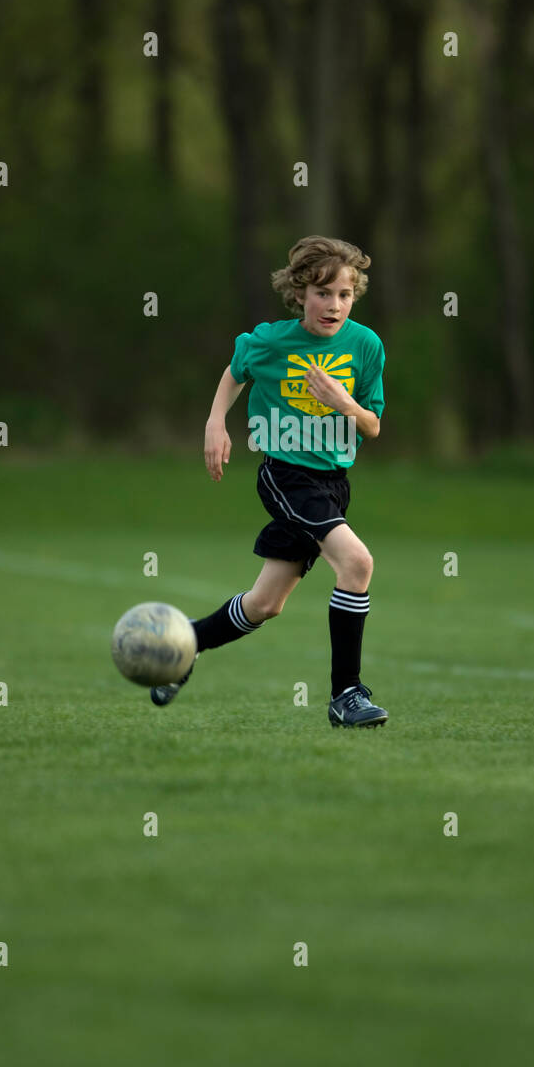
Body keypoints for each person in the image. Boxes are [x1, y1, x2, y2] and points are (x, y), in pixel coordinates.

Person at [152, 235, 388, 728]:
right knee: (357, 562)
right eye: (322, 293)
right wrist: (216, 421)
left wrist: (343, 402)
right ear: (300, 292)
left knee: (265, 604)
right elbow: (236, 371)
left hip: (332, 482)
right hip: (285, 474)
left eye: (343, 294)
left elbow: (373, 426)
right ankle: (346, 694)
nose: (333, 305)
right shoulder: (273, 341)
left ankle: (186, 644)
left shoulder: (366, 346)